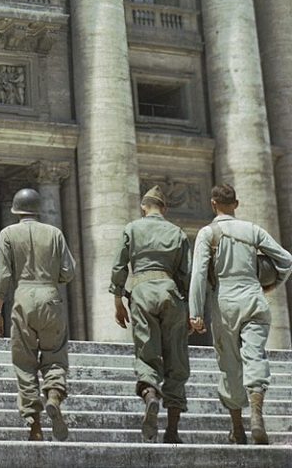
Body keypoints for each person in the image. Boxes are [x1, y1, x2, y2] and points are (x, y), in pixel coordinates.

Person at [189, 182, 292, 445]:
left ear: (213, 204)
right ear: (236, 204)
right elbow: (286, 260)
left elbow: (199, 274)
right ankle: (257, 417)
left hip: (225, 303)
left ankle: (237, 428)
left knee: (230, 364)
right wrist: (270, 286)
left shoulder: (207, 233)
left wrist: (195, 312)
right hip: (255, 299)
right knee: (255, 355)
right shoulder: (252, 229)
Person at [0, 187, 75, 442]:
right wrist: (51, 279)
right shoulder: (54, 233)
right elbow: (68, 271)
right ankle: (53, 395)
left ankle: (34, 425)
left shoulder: (8, 233)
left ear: (16, 210)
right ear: (37, 209)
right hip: (50, 296)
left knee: (24, 363)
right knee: (55, 356)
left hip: (23, 297)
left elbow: (2, 277)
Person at [110, 185, 191, 444]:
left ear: (144, 207)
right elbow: (186, 274)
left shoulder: (132, 228)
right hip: (170, 291)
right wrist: (191, 310)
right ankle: (173, 430)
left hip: (142, 291)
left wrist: (118, 300)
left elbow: (119, 266)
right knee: (176, 359)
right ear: (164, 209)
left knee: (147, 353)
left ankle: (151, 395)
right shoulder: (177, 232)